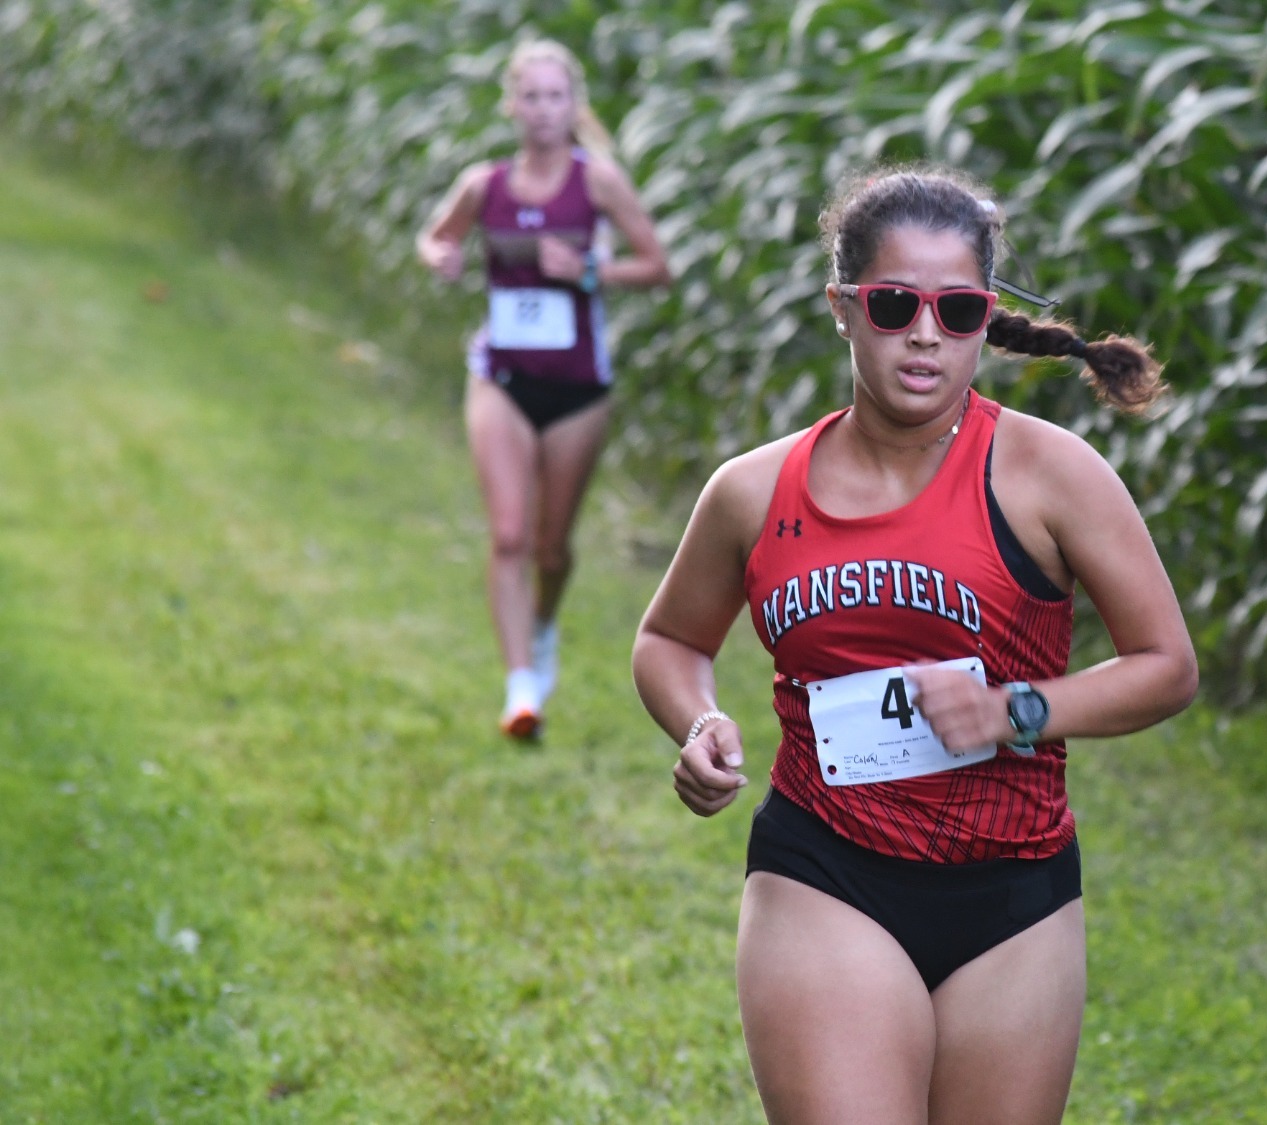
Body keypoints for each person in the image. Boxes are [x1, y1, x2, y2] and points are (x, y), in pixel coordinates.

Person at [632, 166, 1198, 1124]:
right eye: (895, 305)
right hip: (827, 869)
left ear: (987, 318)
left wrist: (1018, 708)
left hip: (1015, 893)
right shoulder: (754, 490)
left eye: (959, 308)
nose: (926, 333)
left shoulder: (1049, 472)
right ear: (844, 308)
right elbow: (669, 638)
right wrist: (701, 722)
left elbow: (1168, 666)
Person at [417, 38, 672, 738]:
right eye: (529, 96)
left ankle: (545, 622)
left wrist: (589, 271)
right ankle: (520, 687)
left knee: (551, 548)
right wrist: (441, 255)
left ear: (572, 104)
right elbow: (437, 237)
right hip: (499, 377)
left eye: (555, 96)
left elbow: (657, 265)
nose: (542, 109)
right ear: (512, 105)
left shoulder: (597, 183)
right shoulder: (485, 184)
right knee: (507, 535)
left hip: (578, 389)